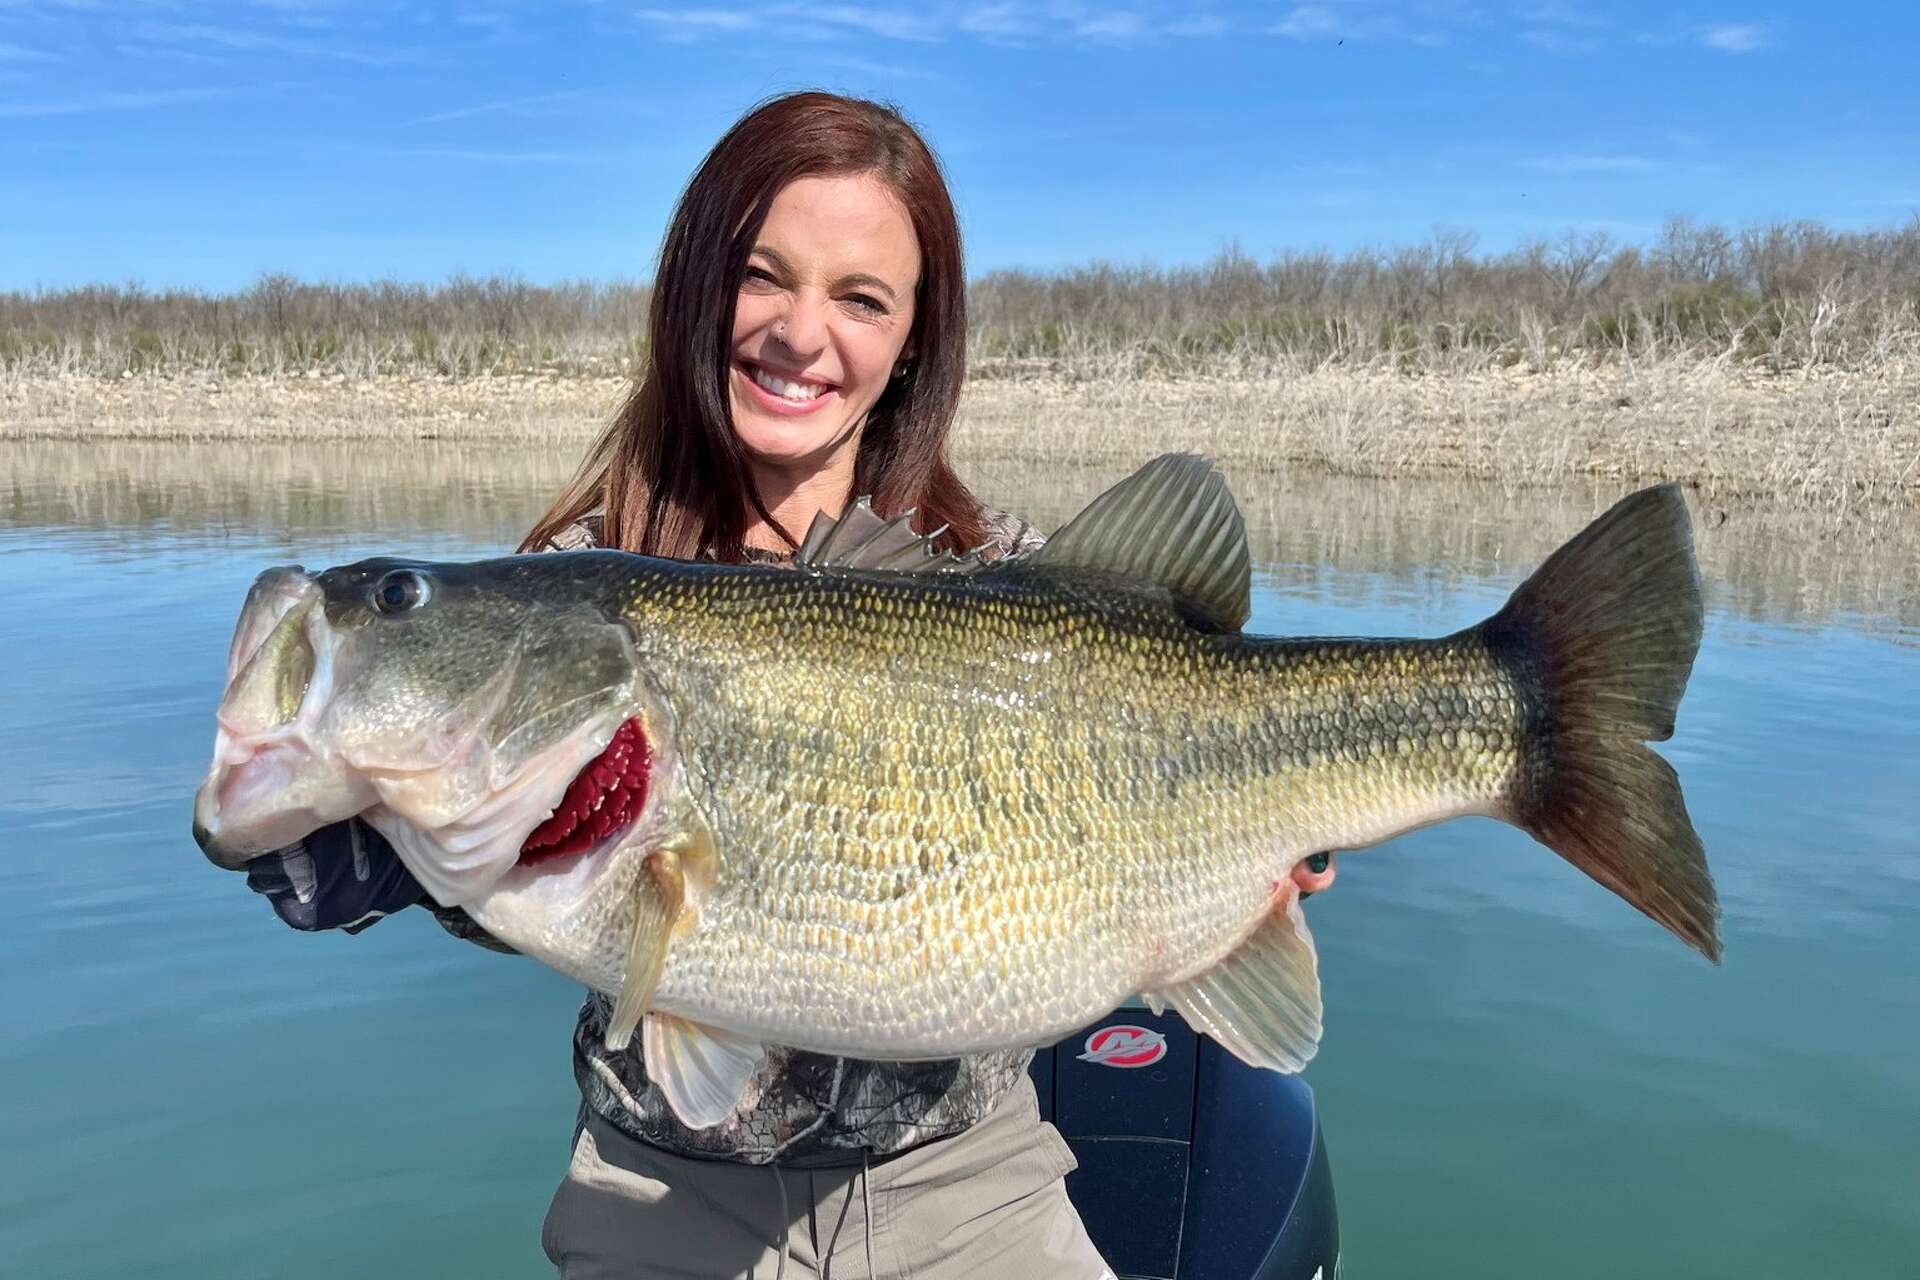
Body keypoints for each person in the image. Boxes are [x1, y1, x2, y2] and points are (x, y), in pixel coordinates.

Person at [243, 91, 1338, 1279]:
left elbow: (1180, 805)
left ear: (914, 335)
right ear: (702, 289)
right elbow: (552, 869)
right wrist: (376, 844)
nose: (801, 334)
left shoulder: (1005, 578)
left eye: (861, 297)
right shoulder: (571, 585)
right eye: (765, 276)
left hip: (974, 1192)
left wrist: (1252, 861)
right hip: (657, 1204)